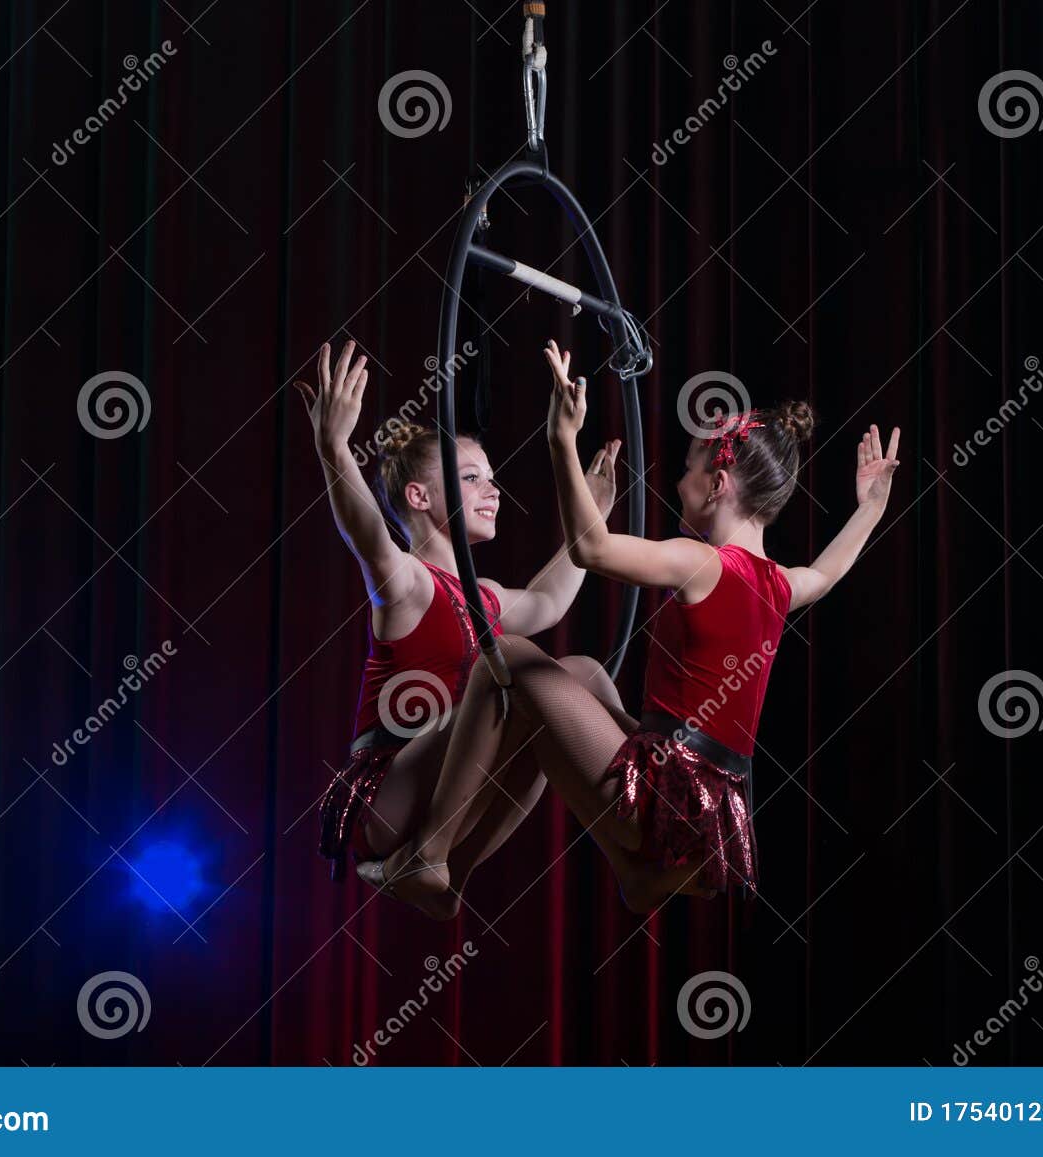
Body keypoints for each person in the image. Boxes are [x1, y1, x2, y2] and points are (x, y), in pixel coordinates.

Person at [361, 339, 899, 916]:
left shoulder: (702, 563)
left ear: (718, 485)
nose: (678, 484)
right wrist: (869, 507)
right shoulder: (780, 583)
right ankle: (633, 874)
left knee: (509, 657)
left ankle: (429, 853)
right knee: (586, 673)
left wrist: (560, 440)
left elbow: (590, 548)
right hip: (714, 813)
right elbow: (828, 571)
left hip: (664, 799)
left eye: (690, 470)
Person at [300, 340, 625, 898]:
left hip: (446, 788)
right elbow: (366, 534)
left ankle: (630, 839)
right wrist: (333, 447)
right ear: (420, 495)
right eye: (471, 477)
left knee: (584, 675)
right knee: (516, 674)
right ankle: (423, 856)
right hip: (387, 791)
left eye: (491, 478)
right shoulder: (406, 581)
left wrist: (588, 520)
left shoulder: (488, 597)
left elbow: (550, 601)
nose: (492, 490)